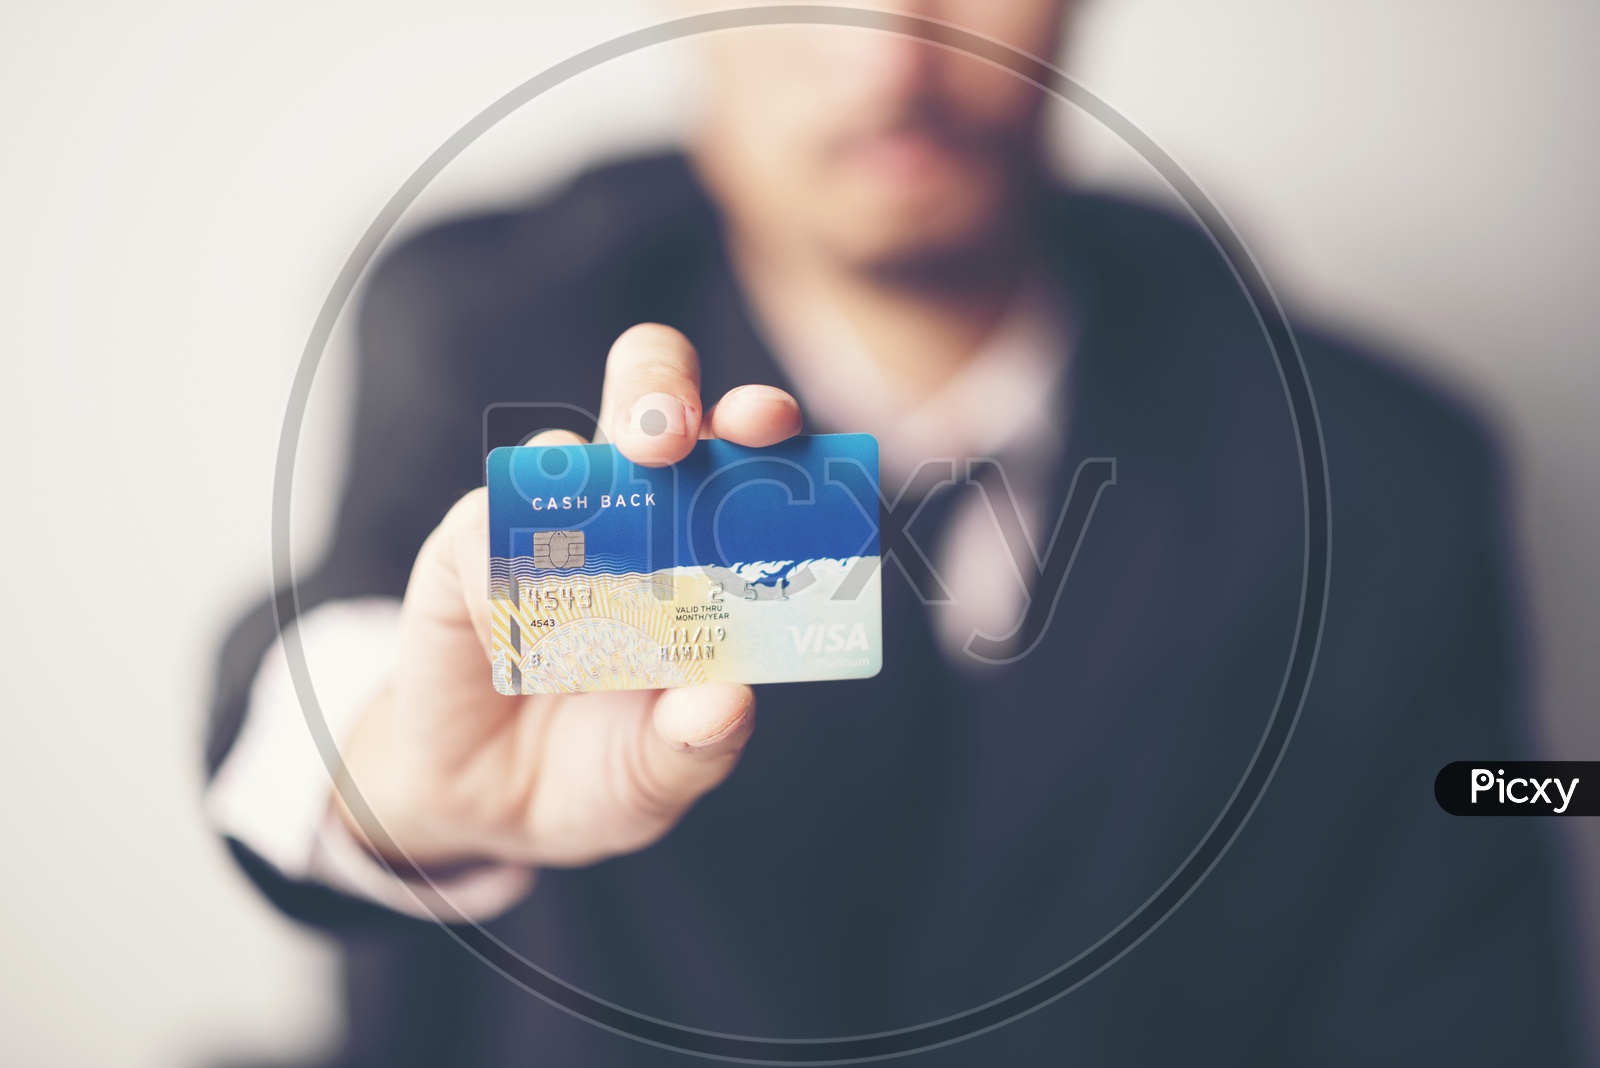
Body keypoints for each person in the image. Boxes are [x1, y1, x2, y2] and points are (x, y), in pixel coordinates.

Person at [205, 3, 1587, 1064]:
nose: (890, 59)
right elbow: (325, 640)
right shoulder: (492, 320)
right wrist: (391, 783)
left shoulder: (1381, 464)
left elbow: (1466, 937)